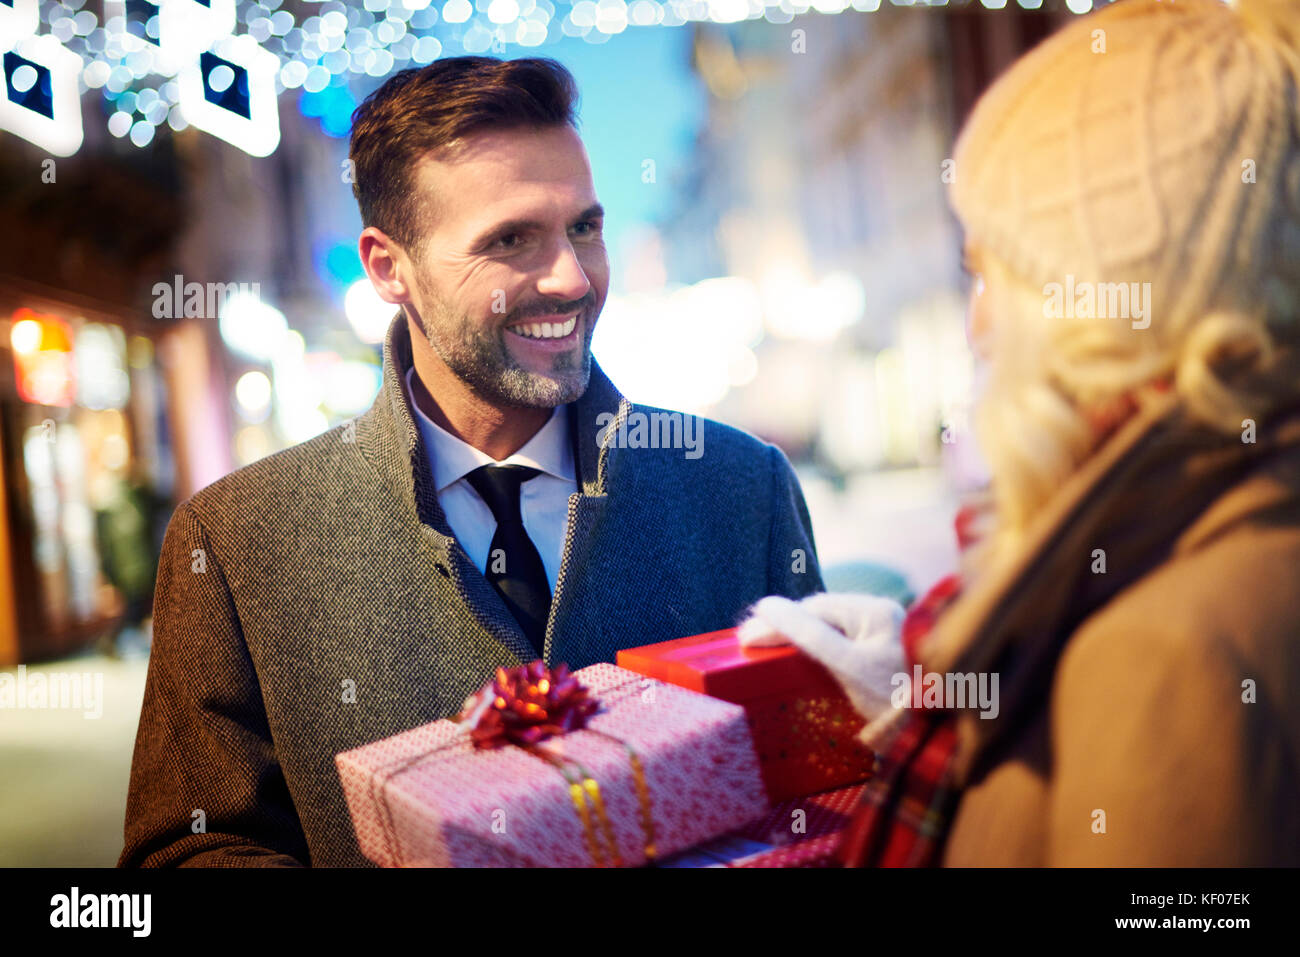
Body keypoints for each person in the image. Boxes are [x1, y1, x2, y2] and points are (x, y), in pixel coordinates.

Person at [121, 57, 823, 867]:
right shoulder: (238, 542)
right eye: (510, 240)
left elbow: (827, 779)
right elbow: (187, 852)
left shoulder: (740, 486)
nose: (570, 277)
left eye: (584, 228)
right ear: (390, 267)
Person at [742, 0, 1300, 865]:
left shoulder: (1161, 647)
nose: (978, 323)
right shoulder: (1214, 514)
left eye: (992, 269)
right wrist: (943, 702)